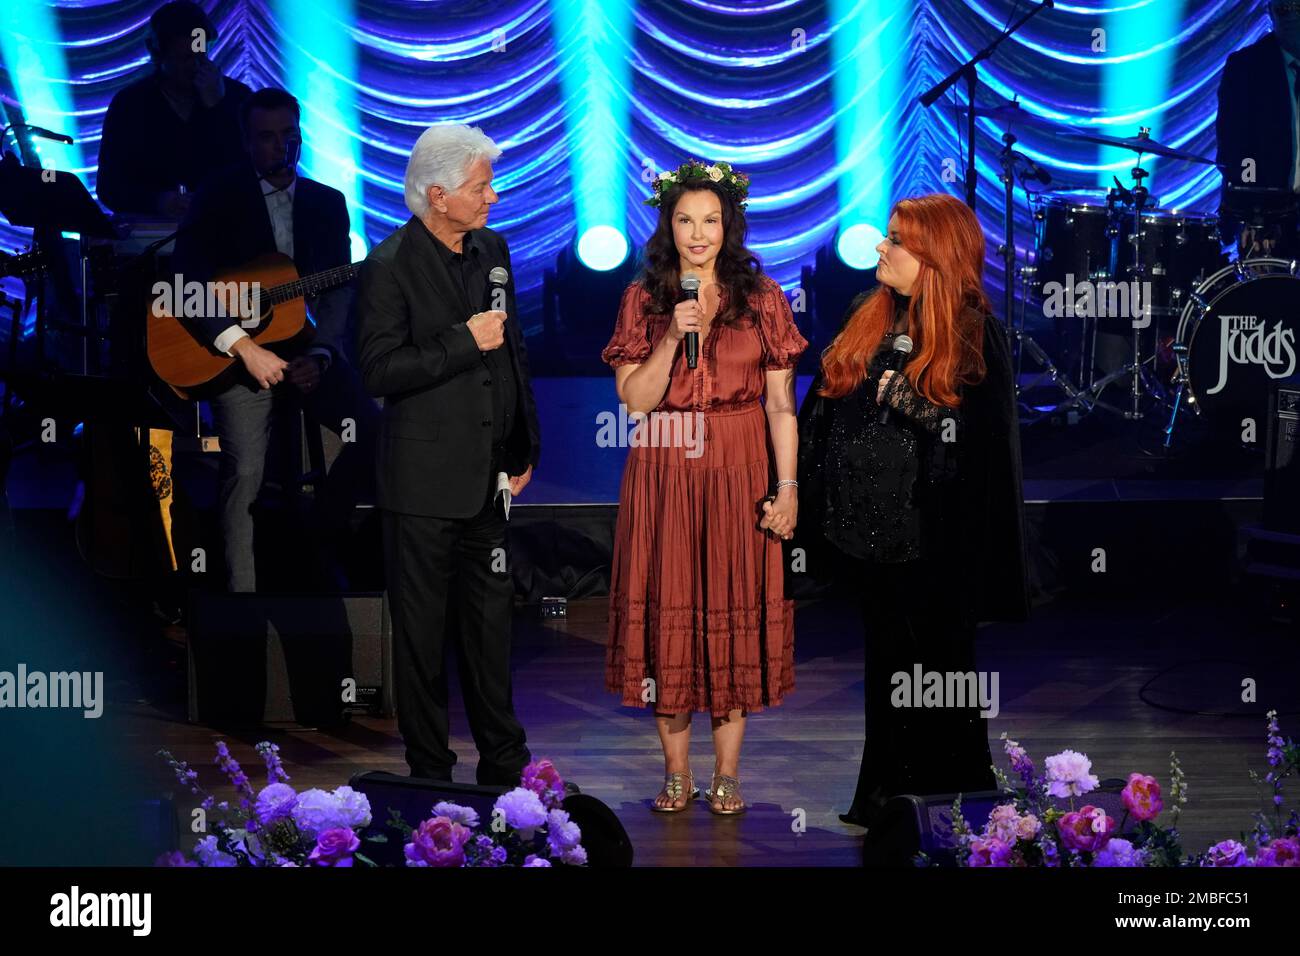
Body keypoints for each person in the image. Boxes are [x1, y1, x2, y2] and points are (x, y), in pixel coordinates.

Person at [795, 193, 1028, 828]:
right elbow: (823, 410)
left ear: (935, 258)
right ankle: (884, 796)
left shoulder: (972, 332)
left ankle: (950, 800)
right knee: (887, 666)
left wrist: (909, 402)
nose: (881, 247)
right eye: (888, 236)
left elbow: (979, 445)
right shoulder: (867, 313)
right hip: (871, 533)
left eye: (897, 240)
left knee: (940, 671)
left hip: (937, 539)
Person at [602, 160, 807, 815]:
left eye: (710, 220)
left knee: (732, 613)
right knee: (670, 617)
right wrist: (672, 336)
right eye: (685, 219)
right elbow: (634, 402)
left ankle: (727, 774)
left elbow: (780, 405)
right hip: (664, 466)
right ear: (668, 223)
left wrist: (788, 486)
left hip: (739, 461)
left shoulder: (763, 297)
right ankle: (675, 773)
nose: (698, 233)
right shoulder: (644, 298)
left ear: (729, 225)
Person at [355, 124, 540, 785]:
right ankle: (430, 767)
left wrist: (525, 443)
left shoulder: (492, 249)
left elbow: (512, 348)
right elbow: (378, 369)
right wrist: (463, 340)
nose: (491, 196)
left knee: (491, 632)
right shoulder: (388, 267)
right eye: (479, 186)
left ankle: (504, 763)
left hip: (488, 480)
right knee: (422, 640)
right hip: (423, 488)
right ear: (437, 195)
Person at [171, 87, 378, 593]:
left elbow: (335, 292)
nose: (280, 147)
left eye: (289, 135)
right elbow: (185, 284)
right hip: (237, 356)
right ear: (246, 142)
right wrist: (243, 346)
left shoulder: (326, 203)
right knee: (245, 472)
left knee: (372, 433)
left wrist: (323, 355)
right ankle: (241, 602)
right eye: (266, 138)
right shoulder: (219, 196)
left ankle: (317, 542)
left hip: (306, 347)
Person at [97, 1, 251, 218]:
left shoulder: (236, 97)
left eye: (202, 56)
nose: (196, 66)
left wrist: (217, 108)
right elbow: (109, 187)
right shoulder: (130, 104)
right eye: (185, 59)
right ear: (159, 55)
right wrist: (157, 201)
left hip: (223, 227)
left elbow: (249, 174)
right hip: (151, 233)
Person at [1215, 0, 1300, 258]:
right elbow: (1234, 150)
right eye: (1284, 8)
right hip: (1271, 217)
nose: (1292, 16)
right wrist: (1252, 215)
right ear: (1270, 13)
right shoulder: (1247, 67)